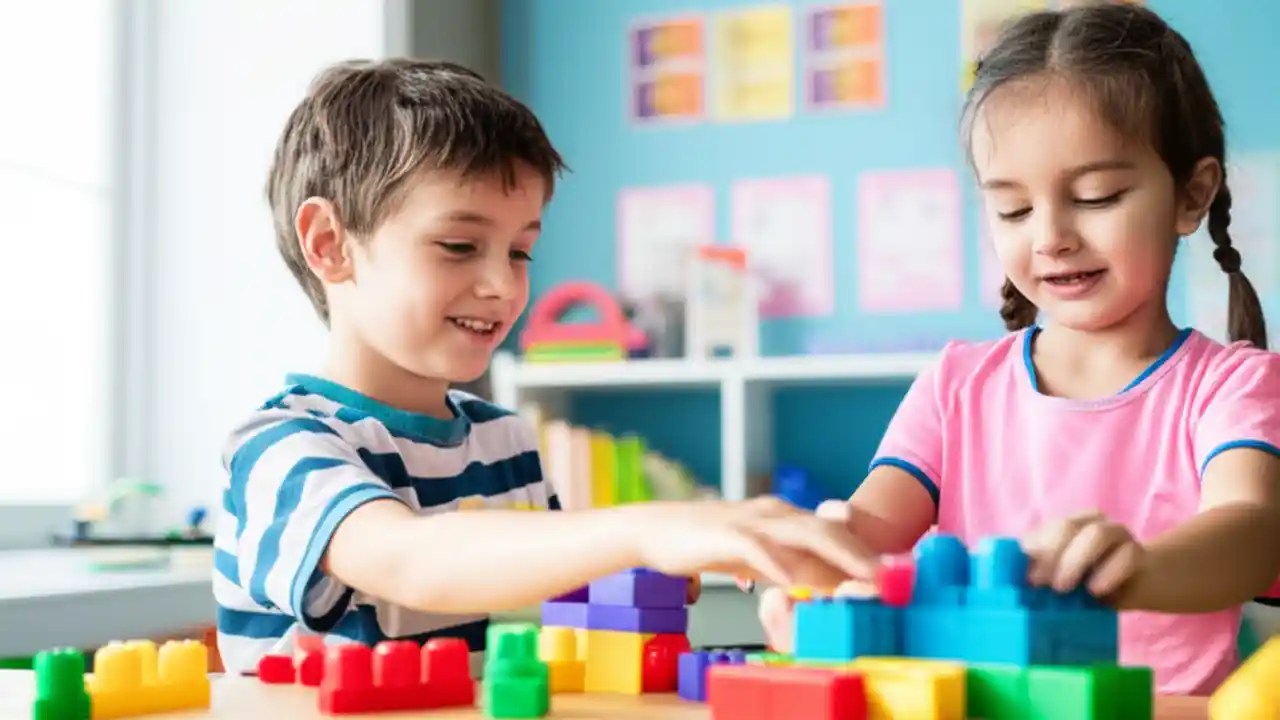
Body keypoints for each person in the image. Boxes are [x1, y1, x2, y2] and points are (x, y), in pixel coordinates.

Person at [214, 58, 875, 674]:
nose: (502, 284)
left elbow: (539, 590)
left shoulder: (504, 442)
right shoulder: (279, 451)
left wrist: (641, 573)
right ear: (330, 245)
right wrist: (650, 529)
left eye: (521, 252)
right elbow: (411, 561)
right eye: (459, 246)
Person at [757, 3, 1280, 695]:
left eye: (1096, 196)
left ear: (1192, 194)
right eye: (1012, 208)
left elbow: (1250, 530)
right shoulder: (954, 386)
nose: (1050, 236)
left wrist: (1134, 569)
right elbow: (874, 520)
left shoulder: (1231, 387)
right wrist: (816, 553)